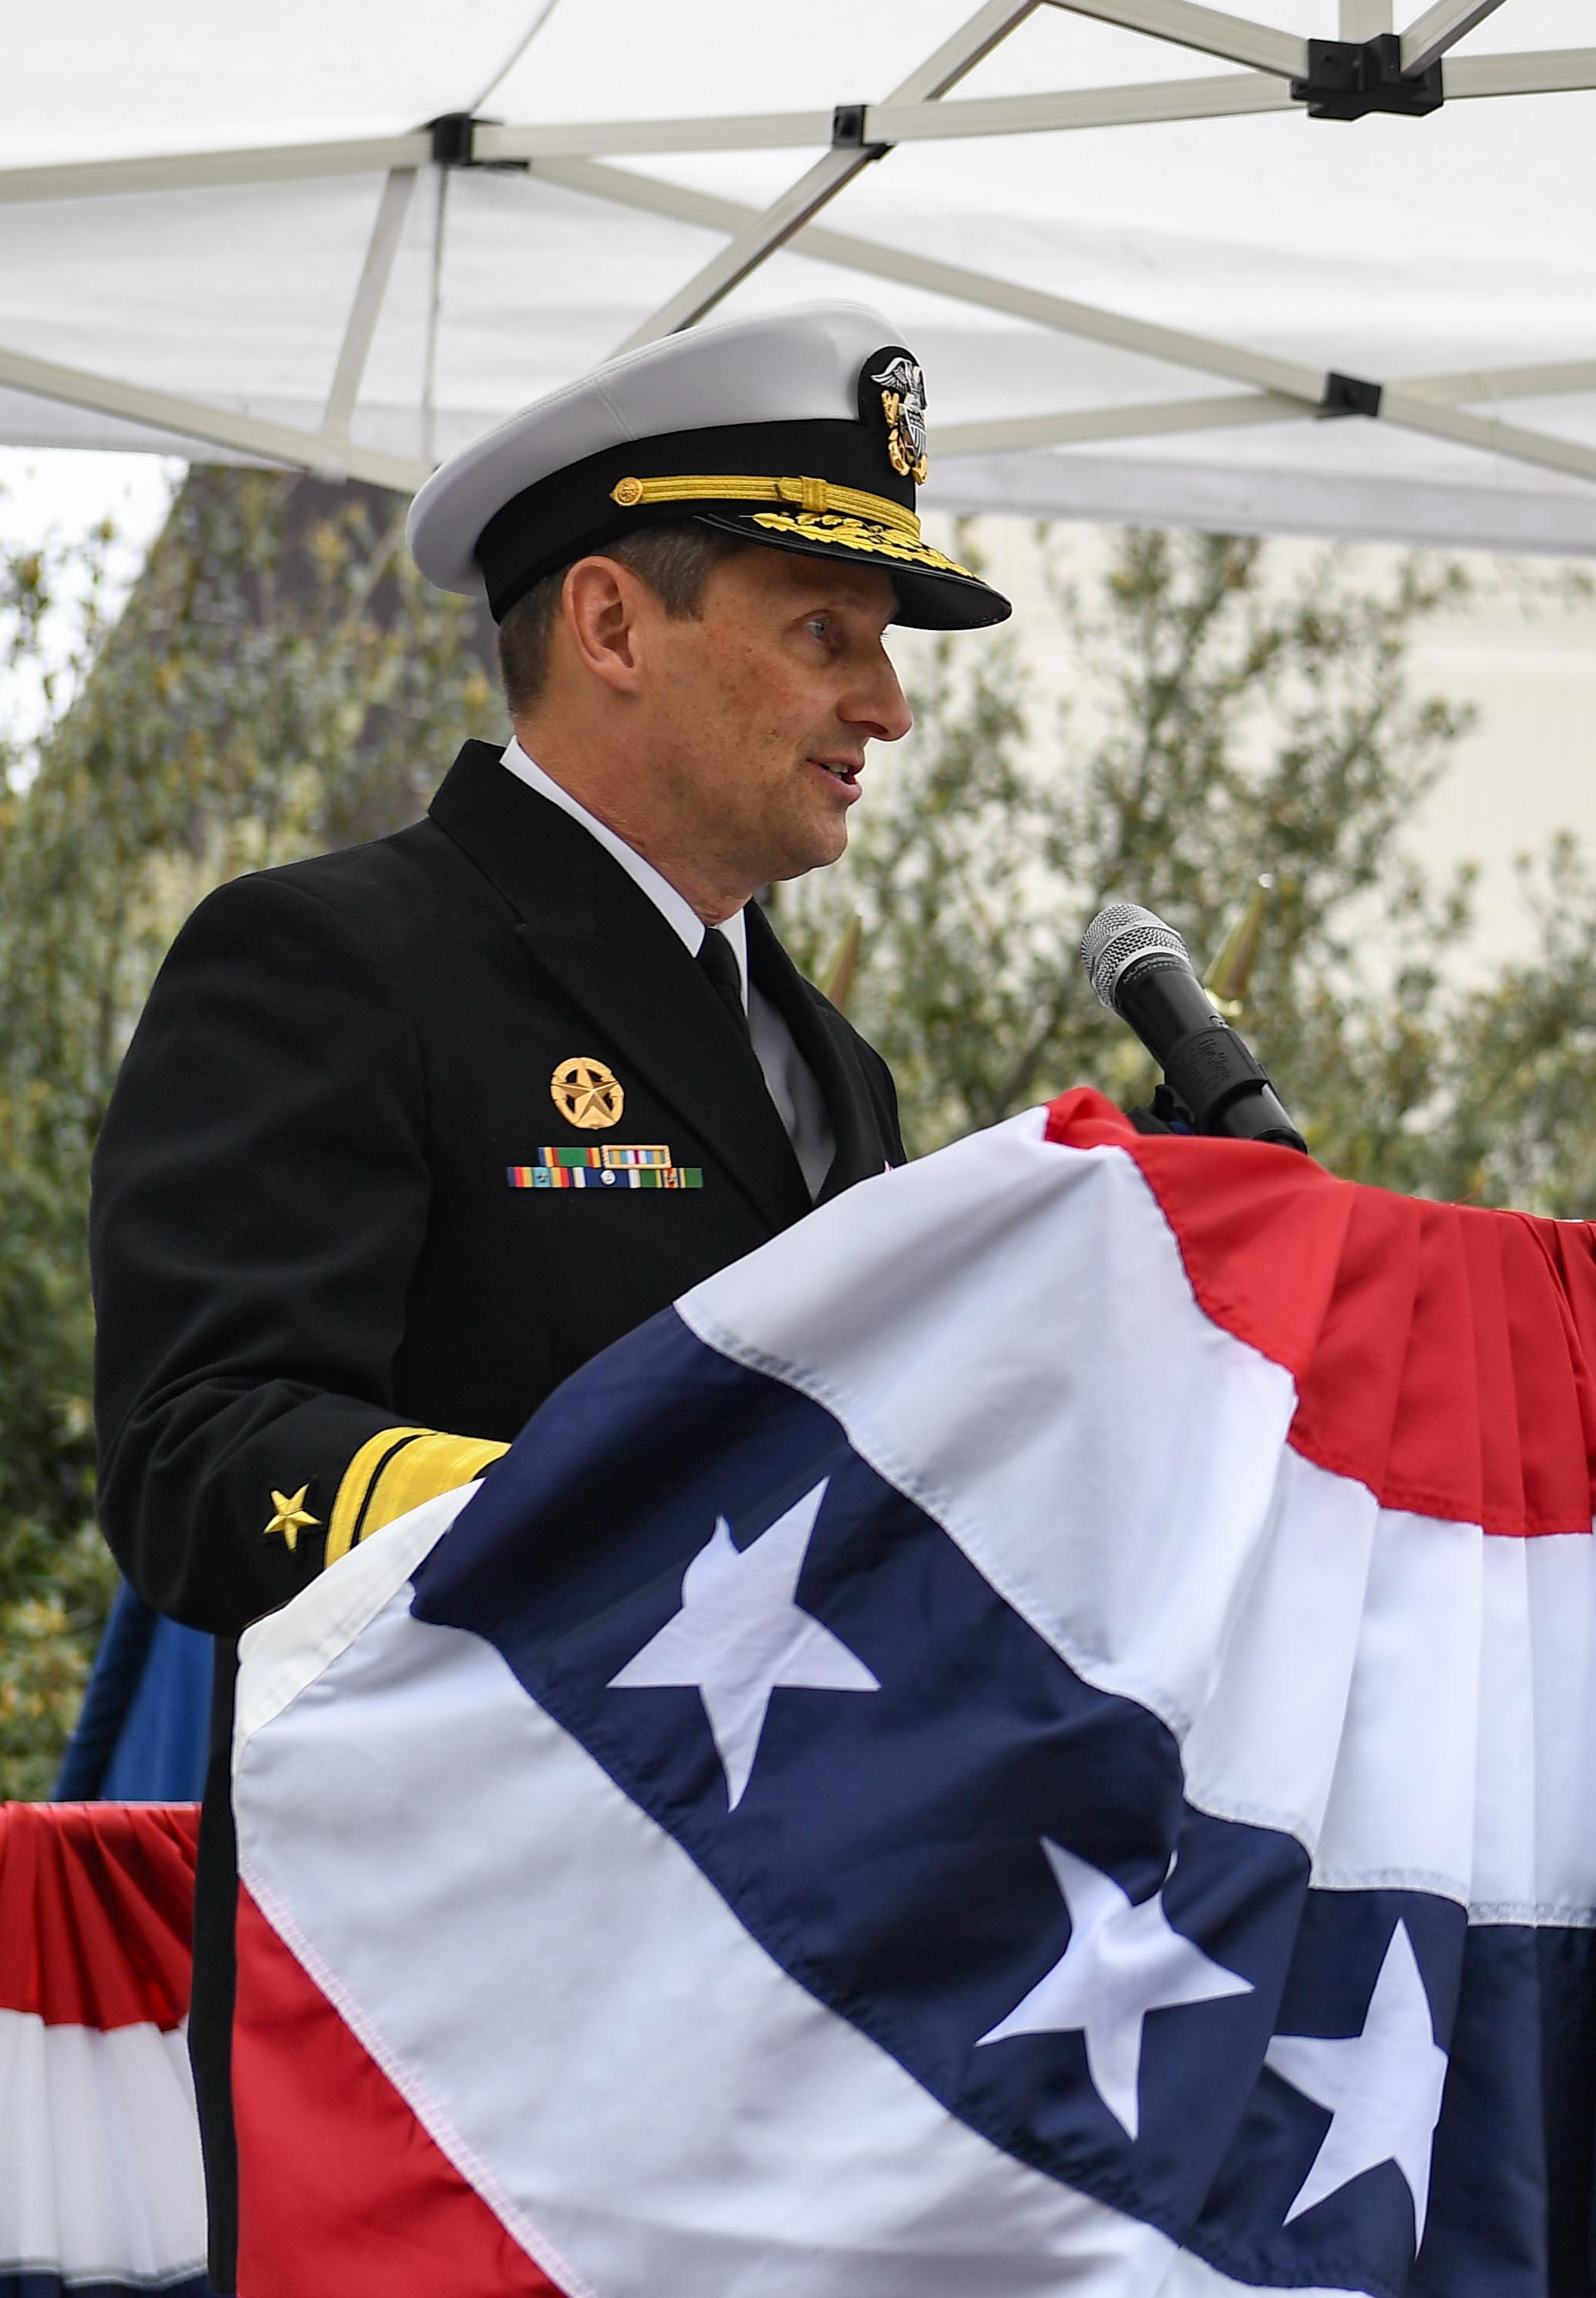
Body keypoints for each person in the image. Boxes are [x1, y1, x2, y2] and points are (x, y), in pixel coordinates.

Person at [91, 302, 1007, 2279]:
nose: (885, 704)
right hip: (460, 2013)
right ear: (609, 622)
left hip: (784, 2001)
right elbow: (198, 1457)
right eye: (825, 630)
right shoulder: (334, 961)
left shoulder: (833, 1069)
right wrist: (616, 1527)